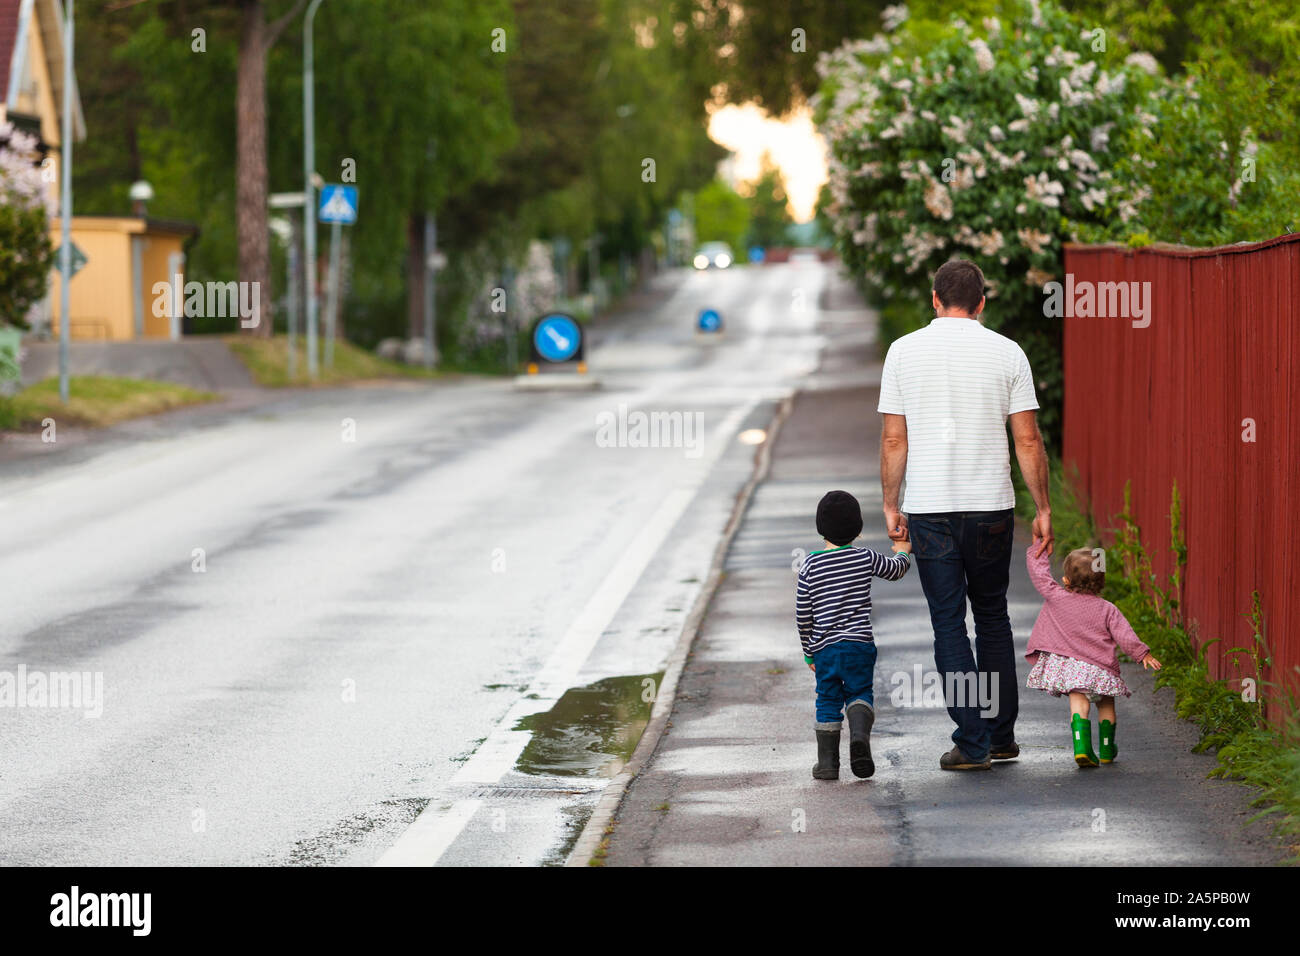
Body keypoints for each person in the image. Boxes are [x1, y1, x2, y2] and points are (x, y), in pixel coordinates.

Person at [878, 257, 1053, 771]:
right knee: (994, 617)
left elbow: (894, 437)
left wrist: (891, 503)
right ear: (982, 302)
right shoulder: (1007, 353)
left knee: (949, 624)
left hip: (930, 511)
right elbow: (1027, 437)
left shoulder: (903, 352)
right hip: (991, 508)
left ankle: (972, 742)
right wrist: (1043, 506)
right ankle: (1000, 737)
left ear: (935, 299)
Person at [797, 490, 911, 780]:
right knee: (860, 693)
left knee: (827, 699)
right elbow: (896, 570)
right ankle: (859, 737)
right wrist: (903, 550)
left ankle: (827, 764)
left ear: (820, 527)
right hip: (859, 645)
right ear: (858, 529)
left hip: (825, 650)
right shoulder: (865, 557)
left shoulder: (809, 565)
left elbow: (803, 615)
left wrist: (809, 650)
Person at [1024, 542, 1161, 767]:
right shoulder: (1108, 609)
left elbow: (1040, 575)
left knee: (1079, 703)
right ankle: (1107, 748)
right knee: (1106, 704)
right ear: (1101, 583)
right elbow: (1125, 635)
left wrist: (1038, 547)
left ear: (1066, 580)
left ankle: (1081, 746)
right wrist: (1142, 654)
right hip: (1101, 668)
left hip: (1071, 670)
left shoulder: (1056, 596)